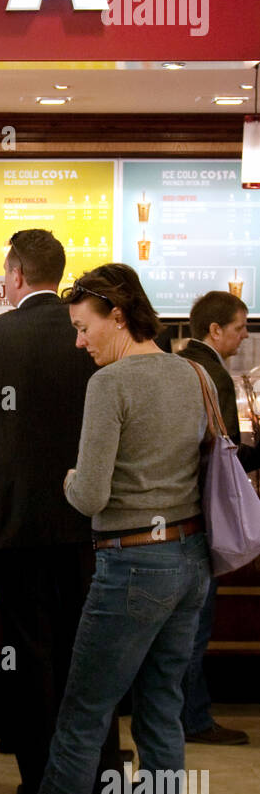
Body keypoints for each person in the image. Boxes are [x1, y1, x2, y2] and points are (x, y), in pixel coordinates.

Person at [0, 264, 211, 794]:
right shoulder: (190, 372)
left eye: (83, 327)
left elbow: (91, 494)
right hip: (188, 560)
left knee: (80, 720)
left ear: (117, 314)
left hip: (130, 565)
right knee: (161, 721)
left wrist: (72, 478)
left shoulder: (112, 383)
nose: (78, 342)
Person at [0, 228, 121, 794]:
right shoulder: (97, 331)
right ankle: (101, 783)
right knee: (88, 648)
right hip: (91, 523)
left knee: (29, 652)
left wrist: (1, 486)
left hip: (18, 524)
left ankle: (43, 783)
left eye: (4, 275)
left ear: (17, 275)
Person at [179, 292, 260, 746]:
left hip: (176, 516)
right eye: (238, 326)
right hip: (205, 519)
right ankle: (194, 718)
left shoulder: (178, 364)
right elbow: (223, 454)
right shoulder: (216, 376)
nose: (244, 334)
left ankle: (181, 715)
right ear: (214, 330)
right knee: (197, 625)